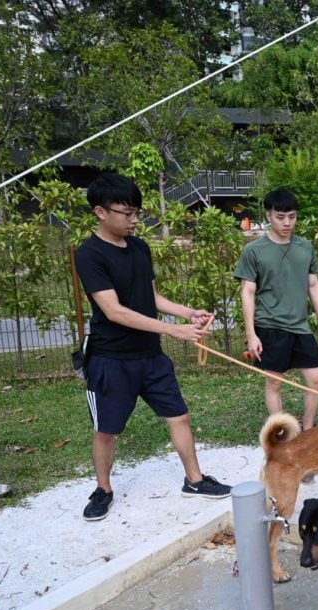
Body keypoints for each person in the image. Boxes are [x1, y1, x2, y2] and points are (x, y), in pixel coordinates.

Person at [74, 173, 232, 522]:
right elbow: (113, 311)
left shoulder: (140, 247)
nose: (134, 221)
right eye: (126, 213)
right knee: (106, 430)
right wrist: (174, 331)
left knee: (179, 415)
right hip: (111, 360)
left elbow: (152, 296)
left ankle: (194, 480)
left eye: (136, 213)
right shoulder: (90, 254)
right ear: (100, 212)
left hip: (150, 356)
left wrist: (186, 312)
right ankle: (103, 490)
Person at [234, 188, 318, 430]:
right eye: (281, 217)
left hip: (300, 326)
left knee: (316, 380)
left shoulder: (305, 247)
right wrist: (251, 334)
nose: (287, 223)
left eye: (292, 217)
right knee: (275, 383)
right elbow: (247, 292)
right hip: (269, 326)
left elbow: (313, 283)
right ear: (269, 215)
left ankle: (307, 430)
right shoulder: (254, 251)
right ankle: (281, 431)